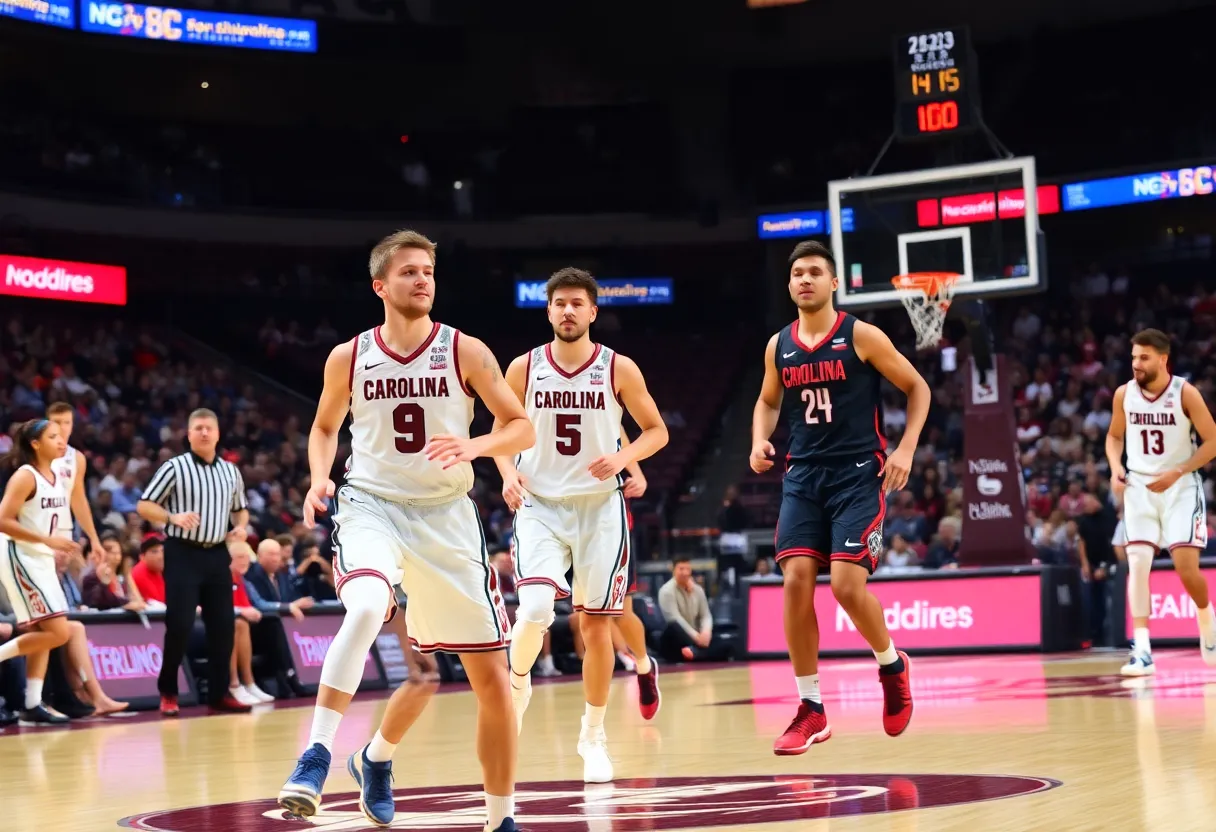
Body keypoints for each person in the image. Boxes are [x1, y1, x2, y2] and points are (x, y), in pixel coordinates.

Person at [278, 229, 534, 832]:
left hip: (447, 517)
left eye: (429, 271)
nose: (423, 280)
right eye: (409, 272)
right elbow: (322, 428)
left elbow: (521, 427)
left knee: (492, 684)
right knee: (366, 605)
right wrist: (319, 478)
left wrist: (473, 445)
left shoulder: (465, 350)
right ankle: (315, 756)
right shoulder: (348, 355)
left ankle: (500, 820)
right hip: (372, 504)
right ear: (380, 285)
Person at [749, 240, 929, 756]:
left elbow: (918, 388)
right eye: (797, 273)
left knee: (848, 587)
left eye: (814, 272)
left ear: (833, 283)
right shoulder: (777, 345)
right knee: (795, 581)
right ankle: (811, 707)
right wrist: (759, 439)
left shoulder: (861, 335)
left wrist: (906, 450)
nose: (805, 279)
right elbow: (766, 401)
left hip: (856, 474)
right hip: (803, 477)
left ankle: (893, 665)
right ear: (790, 286)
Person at [495, 267, 668, 784]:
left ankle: (593, 736)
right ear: (548, 312)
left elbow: (656, 431)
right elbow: (499, 431)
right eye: (559, 304)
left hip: (600, 509)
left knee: (597, 626)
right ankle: (519, 680)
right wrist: (507, 474)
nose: (568, 311)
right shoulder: (523, 368)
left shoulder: (619, 368)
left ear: (593, 312)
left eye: (577, 303)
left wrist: (624, 458)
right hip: (541, 505)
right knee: (537, 608)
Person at [1105, 328, 1216, 675]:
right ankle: (1142, 650)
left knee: (1186, 570)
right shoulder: (1124, 393)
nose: (1136, 363)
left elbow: (1212, 441)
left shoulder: (1186, 393)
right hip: (1138, 487)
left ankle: (1205, 615)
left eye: (1144, 357)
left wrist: (1179, 470)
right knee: (1137, 565)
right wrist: (1114, 470)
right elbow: (1113, 436)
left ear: (1163, 359)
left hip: (1180, 488)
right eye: (1134, 357)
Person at [136, 408, 252, 716]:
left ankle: (218, 694)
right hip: (182, 551)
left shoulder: (231, 471)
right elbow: (145, 504)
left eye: (208, 428)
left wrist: (240, 525)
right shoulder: (174, 467)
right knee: (180, 624)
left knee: (223, 626)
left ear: (217, 434)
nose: (203, 432)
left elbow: (241, 508)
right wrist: (171, 517)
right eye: (198, 428)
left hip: (216, 553)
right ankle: (168, 690)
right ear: (188, 435)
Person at [0, 419, 81, 724]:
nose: (62, 442)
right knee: (58, 632)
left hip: (42, 557)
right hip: (19, 555)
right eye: (53, 437)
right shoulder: (25, 476)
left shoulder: (56, 476)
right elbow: (2, 520)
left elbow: (54, 521)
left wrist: (64, 546)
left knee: (43, 632)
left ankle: (32, 704)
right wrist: (47, 540)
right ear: (35, 444)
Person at [45, 403, 104, 567]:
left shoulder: (77, 458)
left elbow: (78, 500)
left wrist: (94, 539)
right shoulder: (35, 452)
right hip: (37, 528)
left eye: (67, 422)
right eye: (57, 422)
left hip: (63, 529)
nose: (62, 427)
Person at [657, 557, 733, 662]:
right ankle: (699, 653)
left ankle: (695, 653)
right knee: (674, 627)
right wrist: (697, 637)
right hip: (678, 638)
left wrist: (706, 632)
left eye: (687, 569)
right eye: (681, 569)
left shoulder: (698, 590)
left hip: (696, 637)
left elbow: (705, 615)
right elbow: (675, 618)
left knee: (726, 641)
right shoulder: (666, 591)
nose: (685, 572)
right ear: (673, 570)